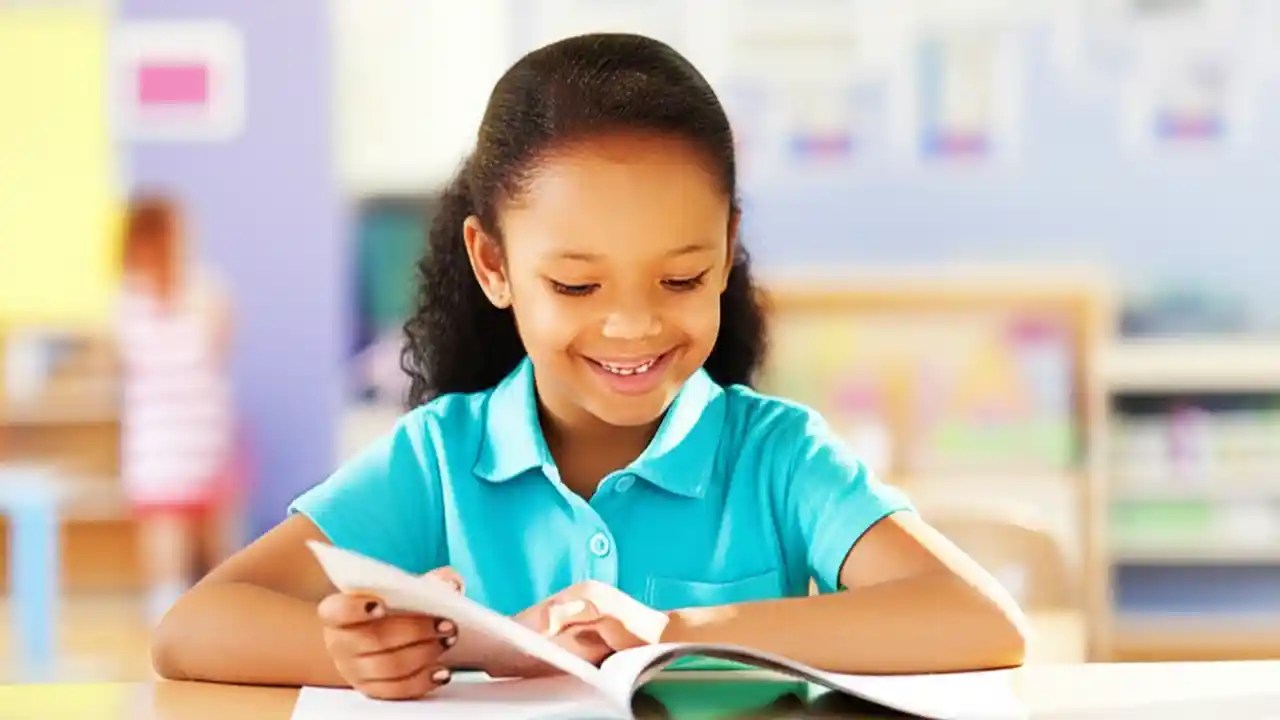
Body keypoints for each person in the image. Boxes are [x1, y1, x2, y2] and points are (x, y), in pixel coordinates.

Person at [151, 33, 1027, 697]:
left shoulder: (775, 454)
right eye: (575, 284)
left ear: (726, 252)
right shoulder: (440, 459)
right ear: (493, 266)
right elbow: (192, 628)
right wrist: (411, 649)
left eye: (681, 277)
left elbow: (981, 621)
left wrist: (673, 631)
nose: (634, 325)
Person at [116, 194, 241, 624]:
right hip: (162, 443)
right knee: (168, 552)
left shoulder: (203, 288)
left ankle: (217, 624)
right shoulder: (130, 298)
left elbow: (219, 347)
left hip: (203, 436)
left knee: (217, 554)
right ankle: (174, 628)